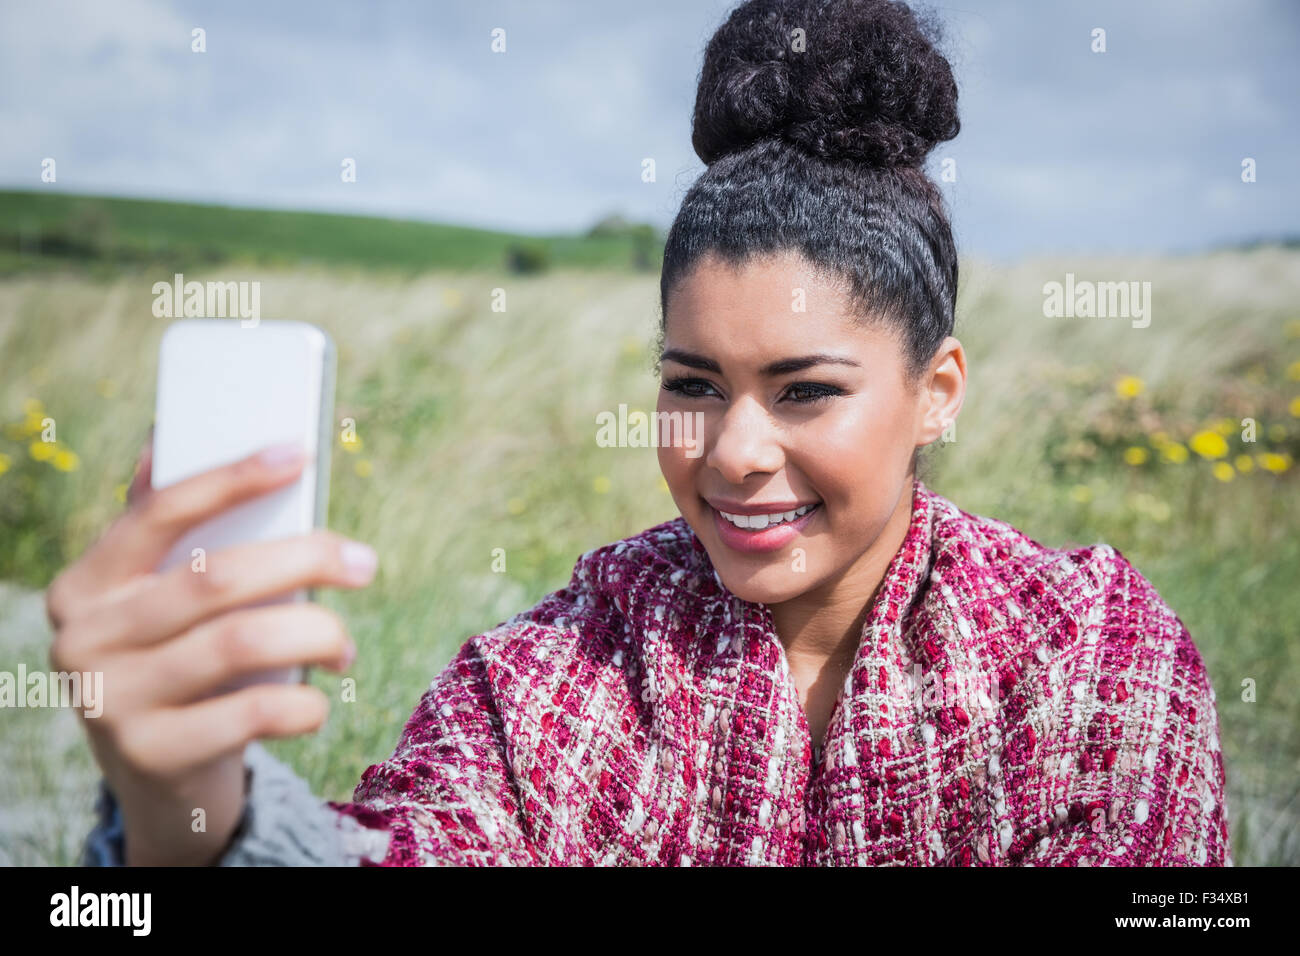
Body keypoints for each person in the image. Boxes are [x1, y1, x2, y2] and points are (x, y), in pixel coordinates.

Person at [58, 0, 1231, 866]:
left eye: (805, 389)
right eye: (693, 382)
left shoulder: (1091, 658)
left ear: (938, 390)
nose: (731, 452)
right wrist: (189, 813)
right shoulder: (551, 674)